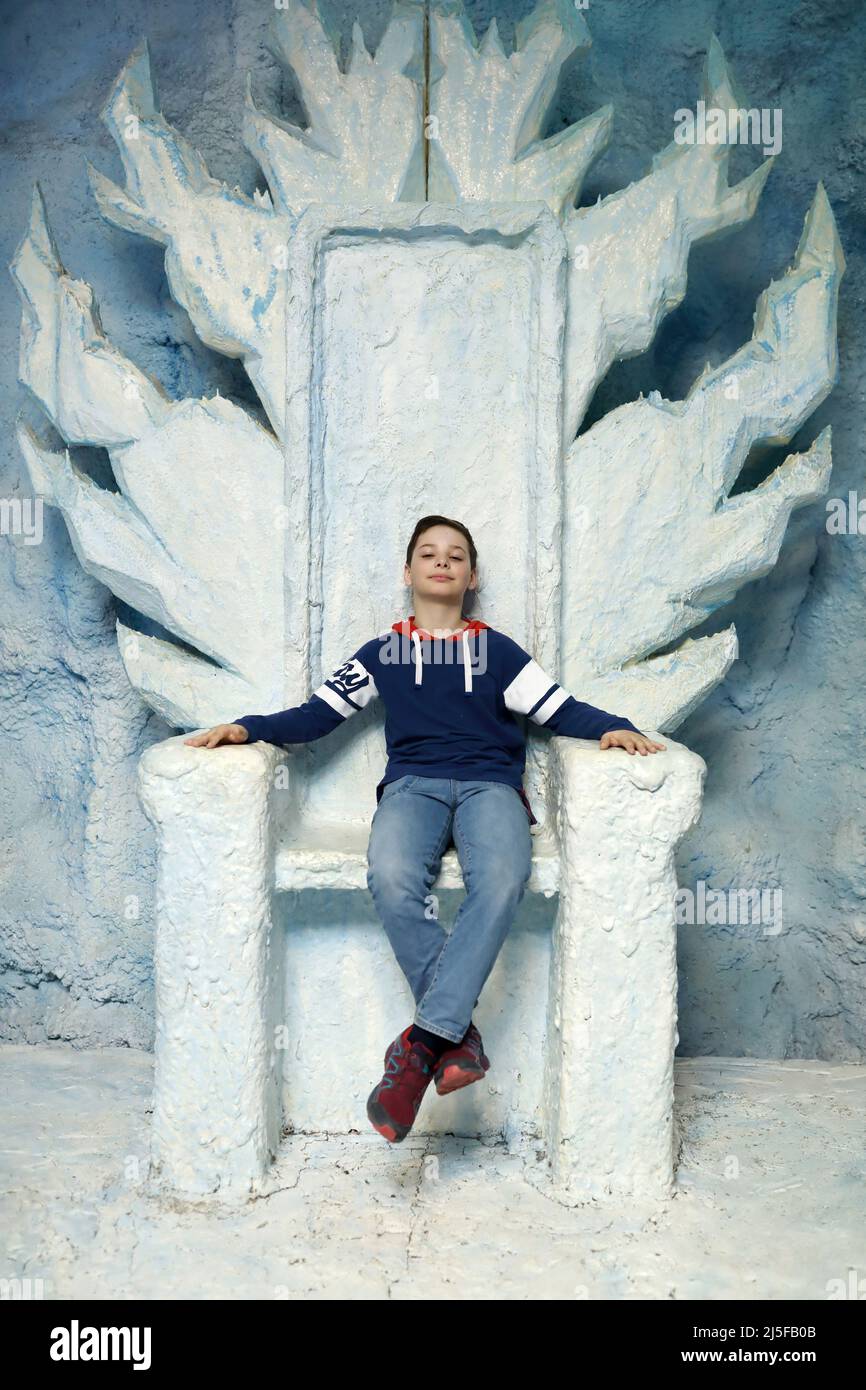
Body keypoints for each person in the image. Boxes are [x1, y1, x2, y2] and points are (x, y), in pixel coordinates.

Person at [184, 515, 666, 1143]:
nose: (443, 563)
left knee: (501, 877)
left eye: (457, 556)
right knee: (389, 875)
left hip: (491, 785)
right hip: (413, 785)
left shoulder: (496, 652)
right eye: (429, 554)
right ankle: (454, 1036)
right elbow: (314, 716)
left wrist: (615, 725)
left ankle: (417, 1050)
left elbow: (561, 709)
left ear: (471, 577)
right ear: (408, 572)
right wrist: (248, 727)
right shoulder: (384, 652)